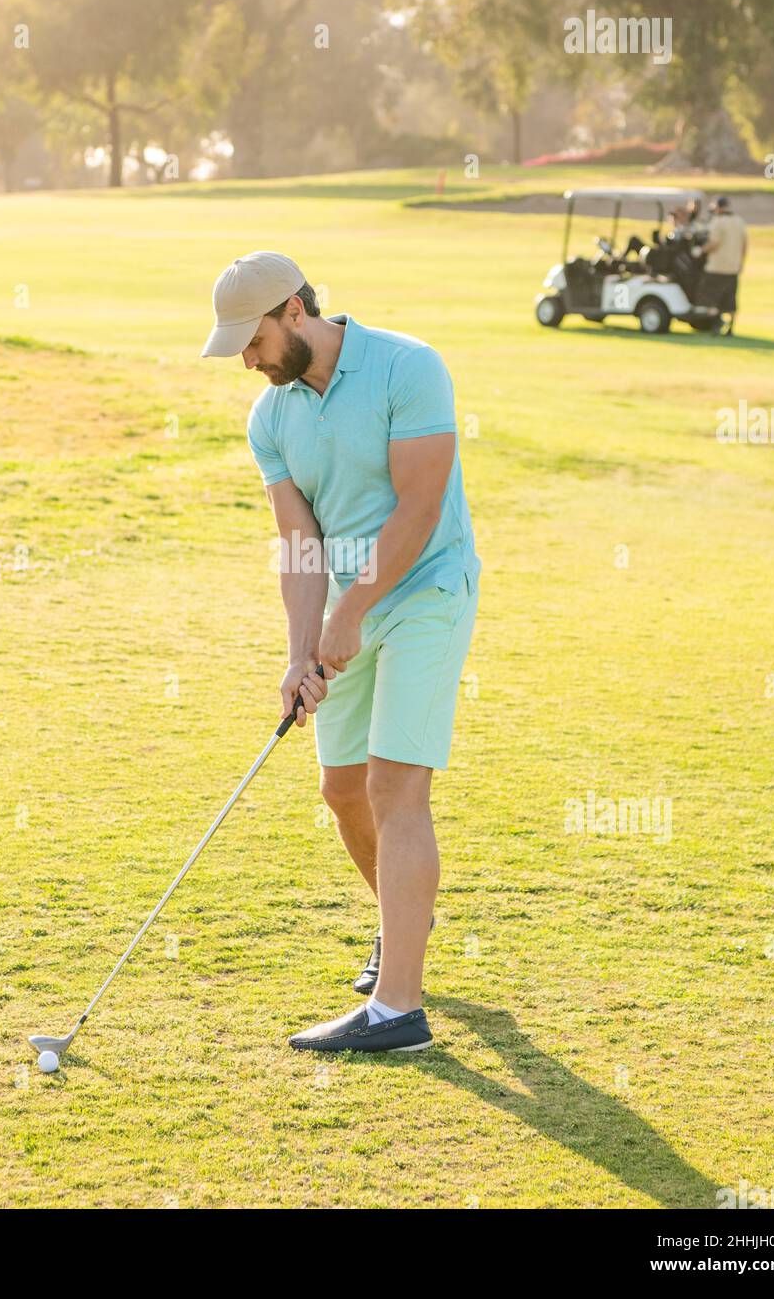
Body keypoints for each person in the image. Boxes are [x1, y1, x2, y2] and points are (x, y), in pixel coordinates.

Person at [201, 252, 480, 1053]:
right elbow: (299, 544)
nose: (247, 363)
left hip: (426, 590)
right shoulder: (271, 417)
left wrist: (353, 610)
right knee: (342, 788)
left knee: (395, 785)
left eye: (251, 343)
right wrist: (300, 653)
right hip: (343, 612)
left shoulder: (408, 367)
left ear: (294, 311)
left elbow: (423, 505)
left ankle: (399, 1012)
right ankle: (406, 929)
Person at [698, 196, 748, 336]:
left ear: (718, 208)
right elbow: (744, 245)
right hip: (733, 267)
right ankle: (730, 329)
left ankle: (715, 326)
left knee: (713, 299)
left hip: (716, 267)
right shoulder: (739, 221)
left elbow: (714, 243)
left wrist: (701, 251)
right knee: (730, 299)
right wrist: (741, 263)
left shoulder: (717, 222)